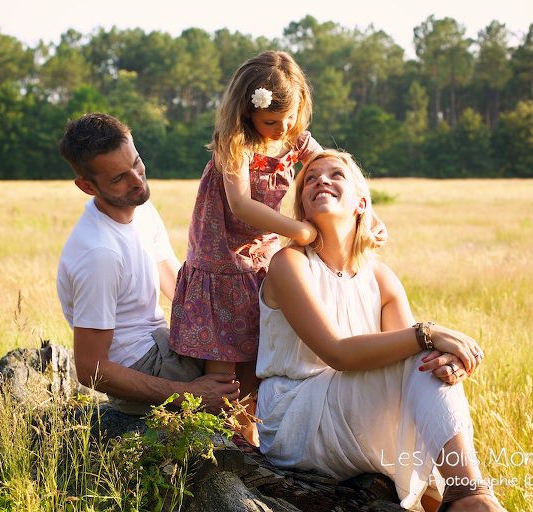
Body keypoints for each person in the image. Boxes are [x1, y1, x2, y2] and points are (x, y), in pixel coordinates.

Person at [255, 149, 506, 511]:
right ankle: (466, 495)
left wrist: (443, 360)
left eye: (335, 175)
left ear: (361, 202)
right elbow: (337, 352)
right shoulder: (290, 264)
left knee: (426, 363)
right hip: (295, 417)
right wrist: (428, 333)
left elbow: (412, 366)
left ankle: (461, 496)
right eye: (310, 179)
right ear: (303, 210)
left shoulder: (381, 278)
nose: (320, 180)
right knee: (421, 348)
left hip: (352, 413)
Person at [168, 51, 387, 449]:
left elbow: (335, 167)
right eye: (272, 121)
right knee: (224, 377)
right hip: (221, 270)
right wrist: (299, 231)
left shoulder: (293, 137)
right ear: (247, 110)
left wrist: (368, 216)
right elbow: (241, 205)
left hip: (260, 268)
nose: (281, 129)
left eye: (291, 120)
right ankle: (223, 450)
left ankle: (250, 442)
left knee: (256, 364)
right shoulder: (234, 141)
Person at [56, 113, 240, 416]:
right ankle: (246, 452)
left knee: (249, 338)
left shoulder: (140, 209)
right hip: (138, 365)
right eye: (119, 178)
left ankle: (248, 445)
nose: (137, 180)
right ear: (87, 187)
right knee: (240, 368)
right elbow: (90, 368)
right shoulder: (99, 254)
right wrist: (189, 394)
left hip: (161, 342)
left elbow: (176, 284)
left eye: (136, 163)